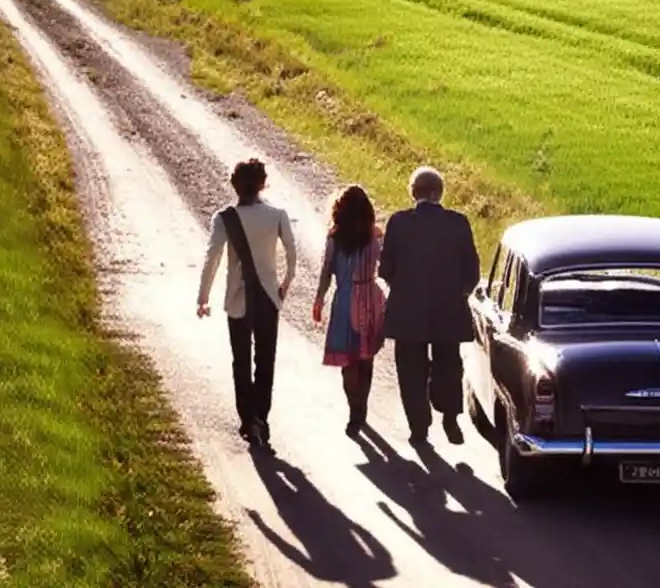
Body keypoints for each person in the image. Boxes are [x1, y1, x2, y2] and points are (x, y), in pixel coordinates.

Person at [197, 158, 296, 449]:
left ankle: (247, 419)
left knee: (240, 360)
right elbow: (291, 253)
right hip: (268, 297)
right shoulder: (277, 215)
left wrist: (203, 296)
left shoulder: (224, 218)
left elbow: (212, 257)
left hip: (237, 298)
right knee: (265, 360)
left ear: (234, 185)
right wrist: (286, 284)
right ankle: (261, 417)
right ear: (263, 183)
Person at [379, 166, 480, 445]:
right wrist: (460, 292)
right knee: (449, 363)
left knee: (410, 369)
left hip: (408, 310)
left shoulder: (398, 223)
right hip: (448, 309)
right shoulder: (459, 223)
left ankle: (419, 427)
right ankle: (449, 414)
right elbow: (471, 269)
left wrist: (402, 288)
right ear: (439, 193)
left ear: (414, 193)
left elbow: (386, 267)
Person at [312, 185, 386, 437]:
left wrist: (319, 298)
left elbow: (326, 270)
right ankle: (361, 406)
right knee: (367, 358)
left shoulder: (334, 238)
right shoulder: (375, 236)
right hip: (370, 296)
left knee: (348, 360)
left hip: (344, 300)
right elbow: (387, 267)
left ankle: (354, 407)